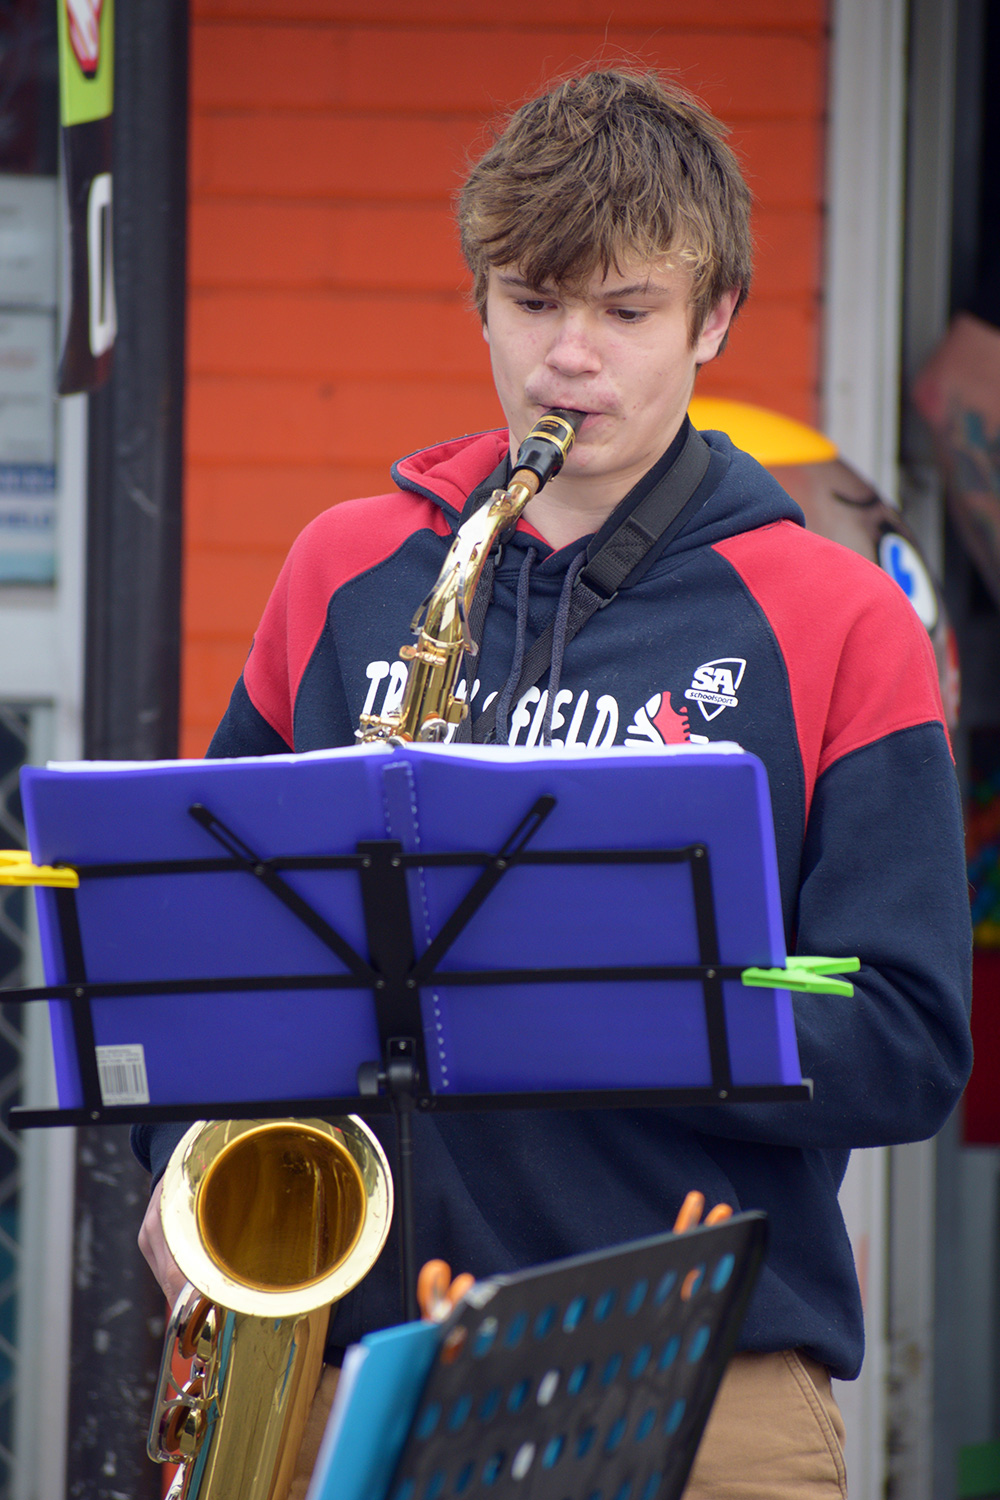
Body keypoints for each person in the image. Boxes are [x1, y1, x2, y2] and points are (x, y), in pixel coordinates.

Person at [134, 69, 972, 1498]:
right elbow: (207, 942)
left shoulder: (838, 623)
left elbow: (905, 1038)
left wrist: (616, 994)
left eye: (626, 311)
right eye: (531, 301)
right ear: (479, 302)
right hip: (357, 1367)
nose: (566, 359)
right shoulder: (346, 573)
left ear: (714, 319)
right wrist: (181, 1175)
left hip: (707, 1384)